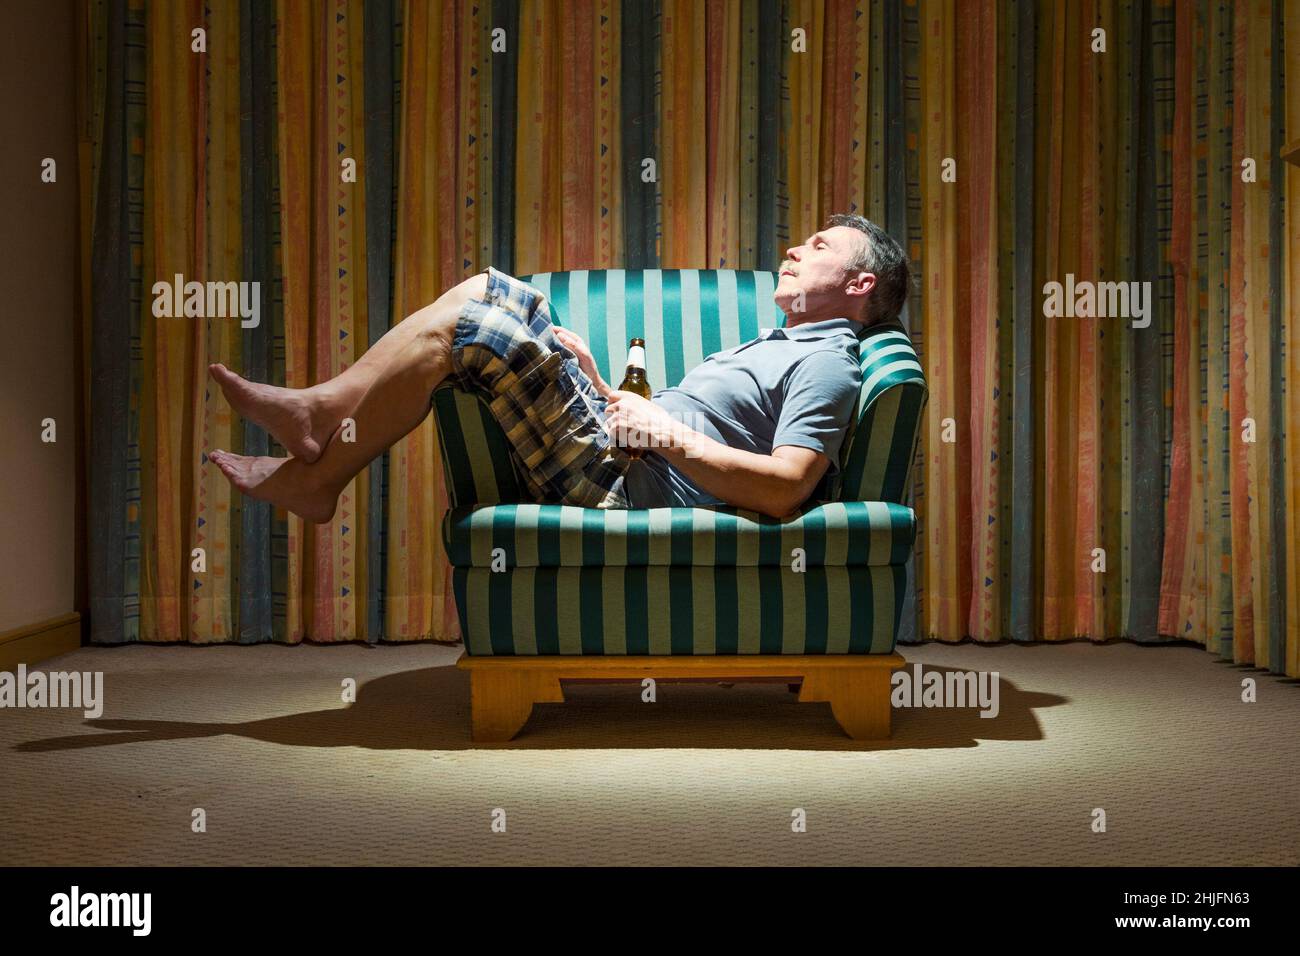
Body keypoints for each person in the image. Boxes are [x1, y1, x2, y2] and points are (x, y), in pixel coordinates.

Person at [208, 213, 911, 522]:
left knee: (476, 327)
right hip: (622, 449)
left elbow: (788, 490)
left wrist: (660, 434)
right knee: (500, 291)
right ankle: (321, 441)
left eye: (817, 247)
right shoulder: (777, 341)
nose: (792, 250)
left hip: (625, 484)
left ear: (858, 287)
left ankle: (318, 440)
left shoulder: (830, 364)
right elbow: (679, 422)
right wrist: (601, 387)